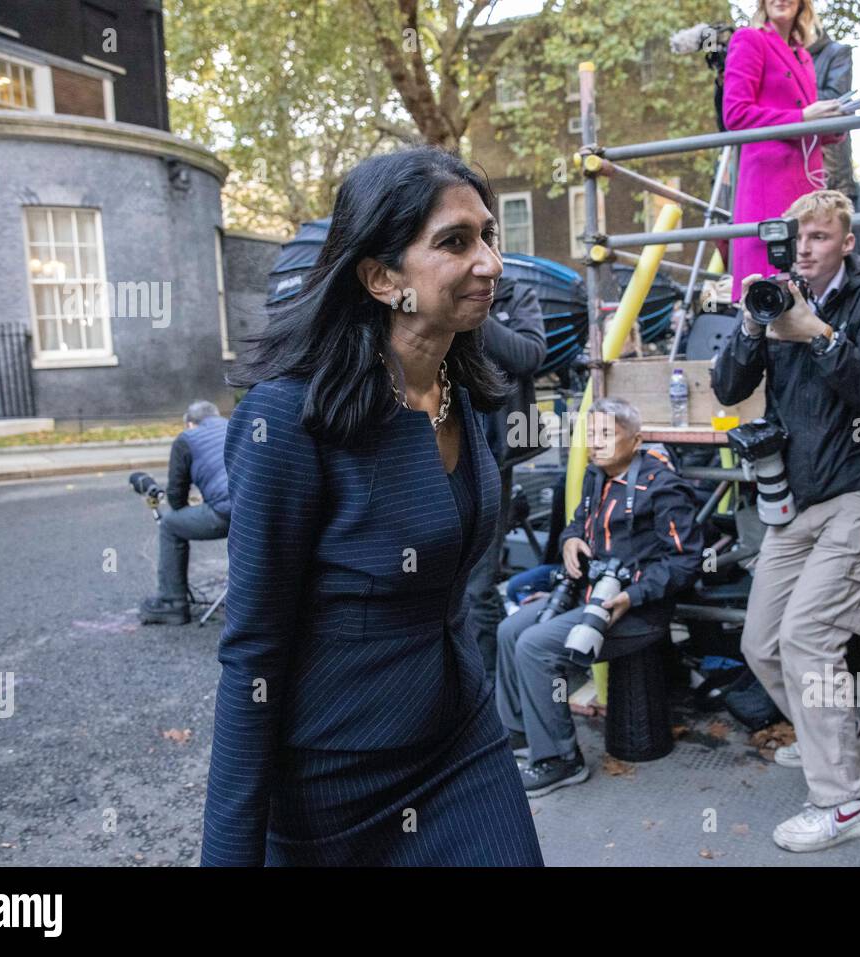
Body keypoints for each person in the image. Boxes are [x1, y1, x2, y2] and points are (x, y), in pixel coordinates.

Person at [200, 147, 543, 867]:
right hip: (337, 774)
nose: (489, 262)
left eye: (489, 236)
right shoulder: (288, 420)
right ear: (383, 277)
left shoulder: (468, 392)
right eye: (456, 242)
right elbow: (253, 650)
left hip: (463, 741)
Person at [710, 188, 860, 853]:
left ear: (846, 243)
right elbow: (727, 390)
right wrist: (748, 327)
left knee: (807, 639)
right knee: (760, 642)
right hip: (799, 500)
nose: (804, 247)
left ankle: (845, 800)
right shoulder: (775, 297)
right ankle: (841, 737)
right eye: (797, 236)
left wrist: (820, 336)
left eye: (819, 236)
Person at [495, 398, 704, 797]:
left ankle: (560, 760)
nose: (596, 443)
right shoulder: (596, 476)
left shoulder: (663, 487)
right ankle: (519, 736)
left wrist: (632, 594)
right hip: (588, 596)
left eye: (607, 434)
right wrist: (571, 540)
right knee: (510, 630)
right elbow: (577, 524)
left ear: (636, 439)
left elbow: (685, 563)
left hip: (636, 612)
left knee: (535, 646)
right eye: (591, 434)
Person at [724, 0, 847, 304]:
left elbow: (802, 117)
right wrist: (803, 118)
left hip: (804, 181)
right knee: (770, 288)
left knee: (807, 289)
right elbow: (735, 114)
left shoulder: (803, 54)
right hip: (770, 181)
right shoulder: (749, 39)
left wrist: (832, 125)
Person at [464, 276, 547, 679]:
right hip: (439, 446)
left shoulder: (516, 293)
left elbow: (529, 356)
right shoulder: (425, 292)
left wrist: (476, 311)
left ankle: (492, 698)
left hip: (496, 452)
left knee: (478, 584)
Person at [138, 400, 231, 626]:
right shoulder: (237, 425)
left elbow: (176, 495)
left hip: (227, 512)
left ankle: (172, 603)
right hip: (265, 509)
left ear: (190, 424)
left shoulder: (187, 439)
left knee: (170, 525)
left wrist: (189, 503)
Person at [807, 26, 856, 202]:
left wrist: (788, 92)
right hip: (796, 157)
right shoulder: (784, 56)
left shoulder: (838, 52)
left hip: (830, 162)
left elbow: (837, 99)